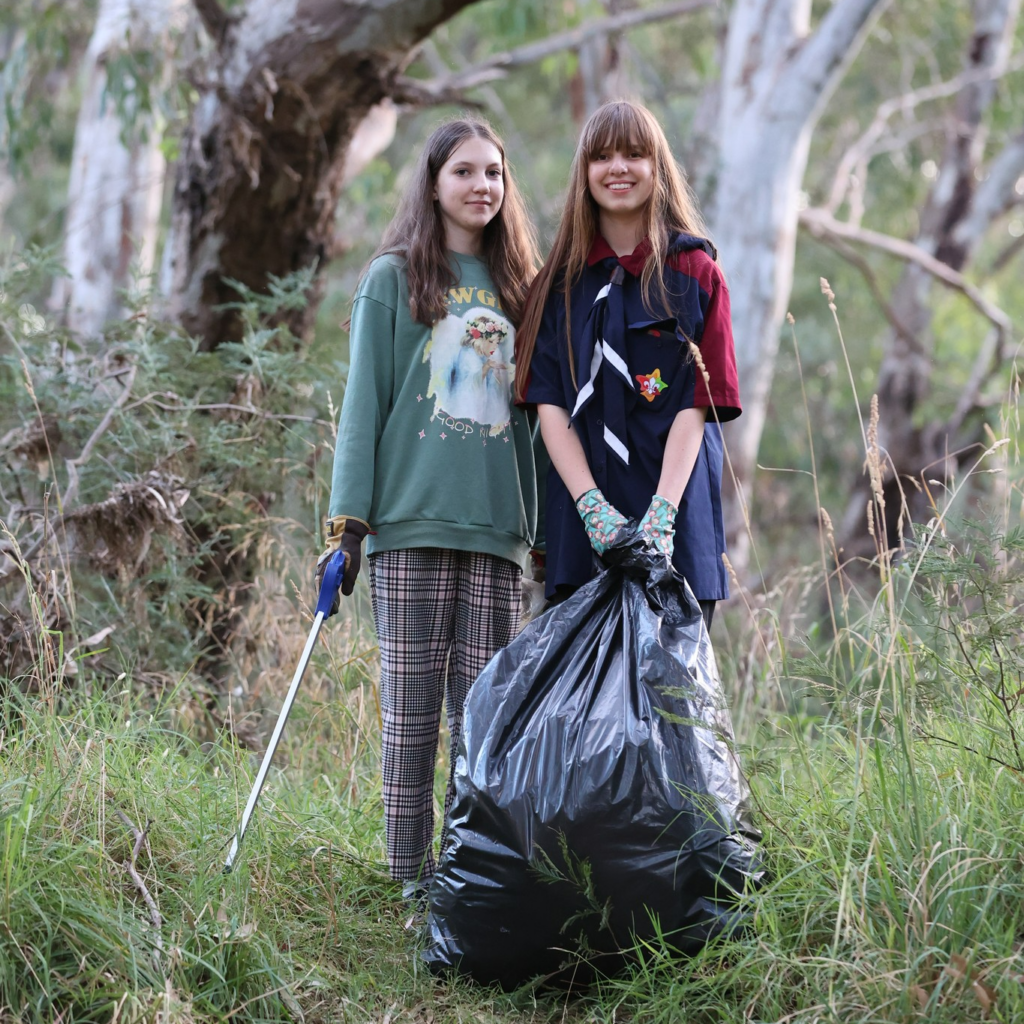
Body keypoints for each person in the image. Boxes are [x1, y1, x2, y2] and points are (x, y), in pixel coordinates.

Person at [318, 118, 540, 906]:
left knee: (483, 727)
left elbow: (539, 422)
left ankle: (468, 880)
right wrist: (348, 525)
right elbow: (361, 407)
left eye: (496, 173)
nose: (483, 186)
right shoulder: (394, 276)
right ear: (434, 182)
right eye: (466, 172)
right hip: (408, 527)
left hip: (498, 534)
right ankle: (407, 879)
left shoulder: (522, 287)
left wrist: (541, 533)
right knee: (411, 718)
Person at [514, 100, 740, 628]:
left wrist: (661, 515)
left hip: (677, 531)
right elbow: (548, 403)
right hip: (583, 532)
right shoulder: (558, 287)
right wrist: (592, 511)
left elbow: (699, 402)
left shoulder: (697, 272)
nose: (619, 168)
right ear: (584, 173)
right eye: (603, 156)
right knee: (584, 710)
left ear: (657, 168)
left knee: (672, 705)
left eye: (635, 154)